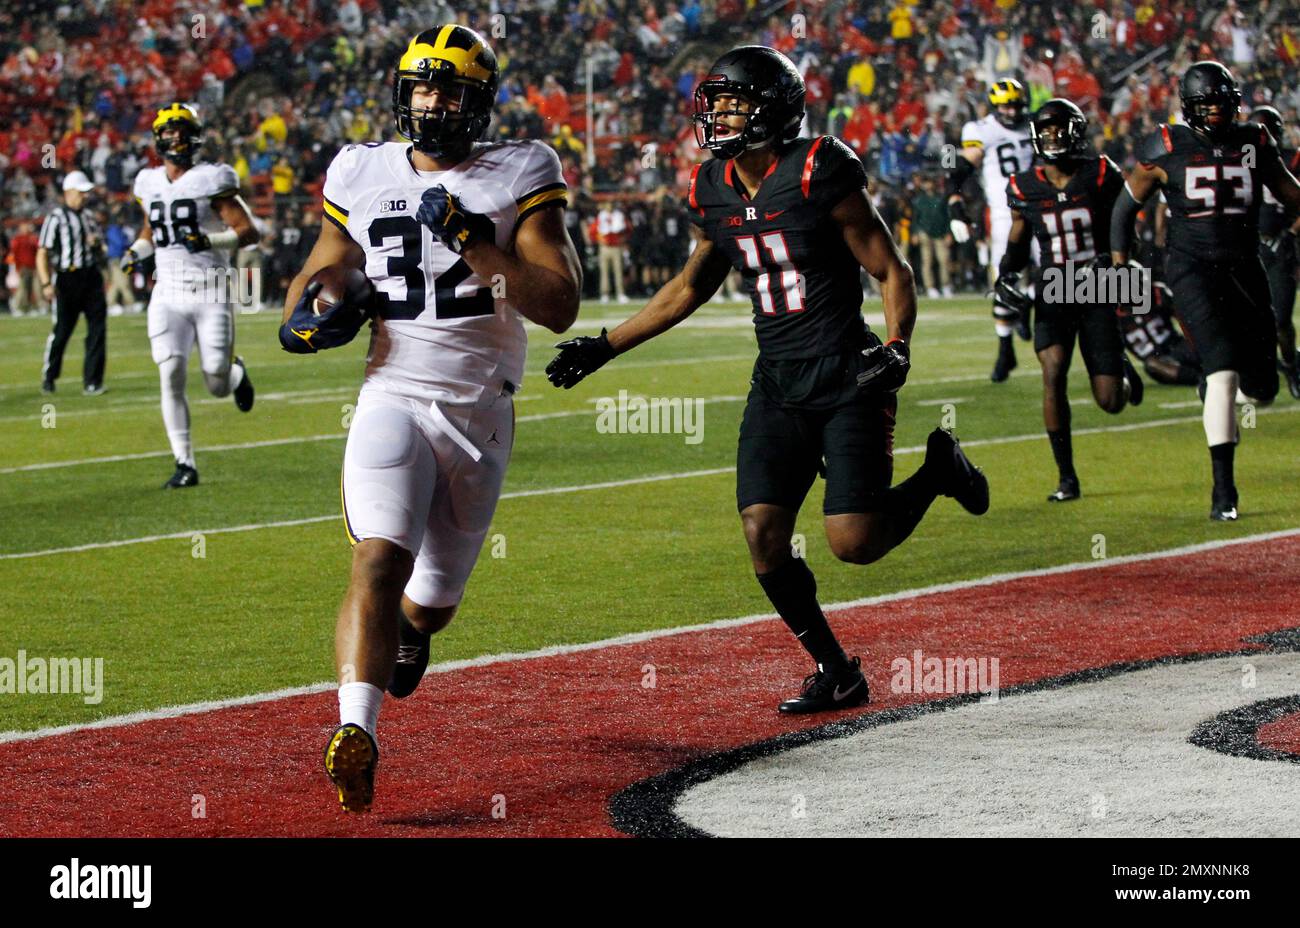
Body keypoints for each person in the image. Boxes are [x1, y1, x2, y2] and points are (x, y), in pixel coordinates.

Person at [547, 46, 988, 716]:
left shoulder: (818, 170)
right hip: (777, 381)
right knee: (761, 530)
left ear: (774, 109)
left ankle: (938, 472)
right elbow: (690, 286)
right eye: (715, 104)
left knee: (854, 544)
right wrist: (604, 347)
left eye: (734, 103)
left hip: (846, 374)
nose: (720, 116)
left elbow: (891, 268)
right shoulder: (712, 185)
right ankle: (836, 670)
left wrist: (899, 346)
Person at [278, 25, 580, 813]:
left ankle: (412, 630)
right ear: (400, 93)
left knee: (432, 604)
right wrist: (314, 311)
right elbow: (319, 269)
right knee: (377, 559)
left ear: (478, 101)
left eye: (447, 88)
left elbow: (557, 305)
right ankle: (358, 732)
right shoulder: (360, 167)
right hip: (391, 395)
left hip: (480, 412)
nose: (431, 101)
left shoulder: (521, 168)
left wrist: (481, 247)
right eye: (419, 86)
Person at [1111, 61, 1300, 520]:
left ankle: (1223, 389)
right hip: (1191, 268)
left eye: (1222, 103)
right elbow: (1124, 208)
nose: (1215, 112)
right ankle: (1223, 493)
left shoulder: (1254, 141)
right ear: (1190, 107)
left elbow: (1292, 194)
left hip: (1245, 264)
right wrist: (1119, 265)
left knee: (1263, 389)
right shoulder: (1167, 145)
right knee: (1221, 371)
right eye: (1207, 104)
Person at [997, 99, 1143, 503]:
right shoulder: (1024, 186)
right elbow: (1018, 240)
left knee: (1110, 401)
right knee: (1053, 370)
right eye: (1046, 131)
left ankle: (1124, 373)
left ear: (1075, 131)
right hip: (1054, 287)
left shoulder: (1100, 173)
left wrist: (1119, 261)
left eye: (1060, 129)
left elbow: (1124, 223)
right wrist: (1006, 275)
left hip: (1097, 288)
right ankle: (1067, 478)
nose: (1053, 137)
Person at [121, 103, 259, 488]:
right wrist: (136, 252)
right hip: (167, 292)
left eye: (183, 131)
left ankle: (235, 373)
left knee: (215, 380)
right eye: (170, 132)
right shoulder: (148, 182)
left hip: (211, 290)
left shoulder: (212, 178)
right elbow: (152, 231)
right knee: (170, 374)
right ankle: (185, 463)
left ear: (195, 136)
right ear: (158, 139)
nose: (176, 138)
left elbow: (249, 232)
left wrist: (209, 239)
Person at [948, 79, 1036, 382]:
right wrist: (954, 199)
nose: (1011, 111)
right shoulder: (980, 130)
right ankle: (1005, 349)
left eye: (1014, 105)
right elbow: (962, 165)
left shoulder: (1034, 125)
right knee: (1004, 282)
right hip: (1004, 214)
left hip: (1040, 207)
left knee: (1055, 269)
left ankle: (1029, 303)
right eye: (1005, 105)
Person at [37, 171, 108, 395]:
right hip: (67, 278)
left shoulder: (89, 217)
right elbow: (42, 252)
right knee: (62, 331)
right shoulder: (55, 218)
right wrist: (46, 283)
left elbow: (102, 250)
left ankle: (92, 381)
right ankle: (50, 377)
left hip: (90, 276)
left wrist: (96, 245)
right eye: (81, 192)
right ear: (68, 192)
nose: (85, 197)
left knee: (98, 330)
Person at [1249, 105, 1300, 399]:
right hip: (1251, 244)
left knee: (1280, 318)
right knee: (1250, 317)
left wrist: (1291, 232)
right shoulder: (1243, 158)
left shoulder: (1294, 159)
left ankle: (1291, 364)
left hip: (1282, 244)